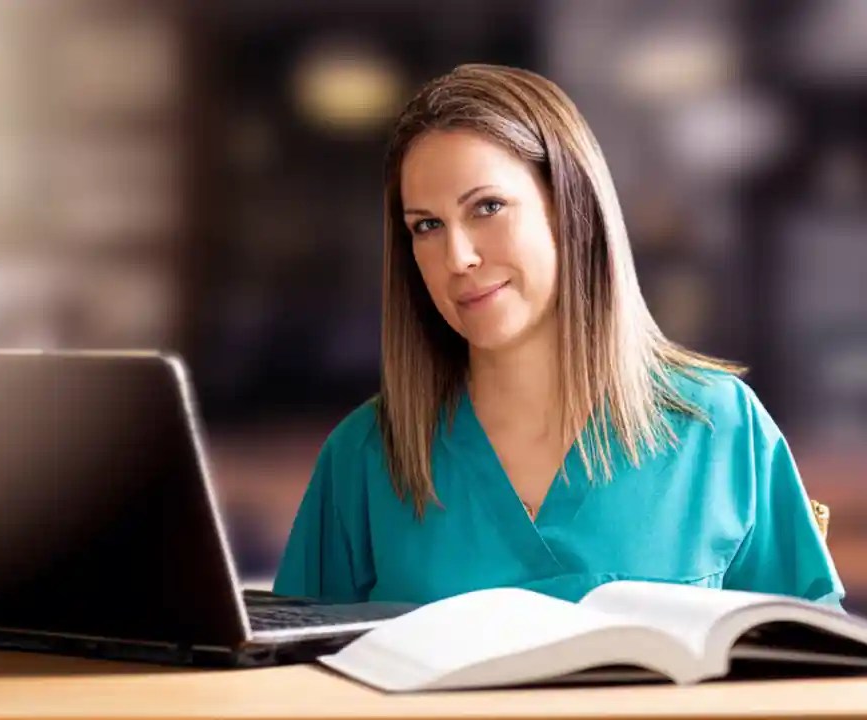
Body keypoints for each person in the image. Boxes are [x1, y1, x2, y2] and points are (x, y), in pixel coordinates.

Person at [272, 64, 845, 609]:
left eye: (488, 207)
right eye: (427, 226)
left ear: (570, 209)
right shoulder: (364, 456)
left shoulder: (718, 427)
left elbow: (810, 674)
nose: (458, 257)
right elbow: (285, 686)